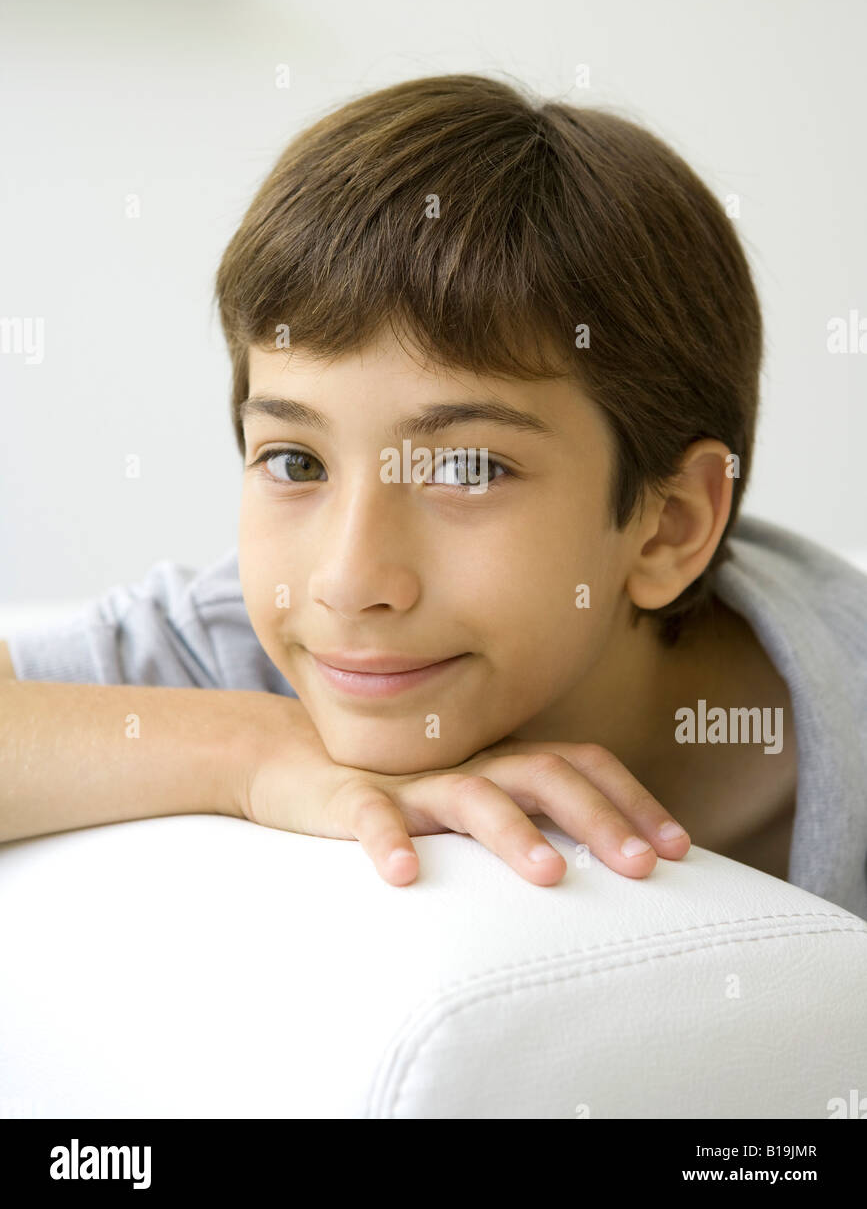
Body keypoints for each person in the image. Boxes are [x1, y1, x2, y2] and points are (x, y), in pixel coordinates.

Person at [3, 73, 866, 919]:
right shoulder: (238, 657)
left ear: (666, 527)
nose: (347, 581)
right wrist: (254, 751)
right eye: (296, 462)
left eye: (464, 471)